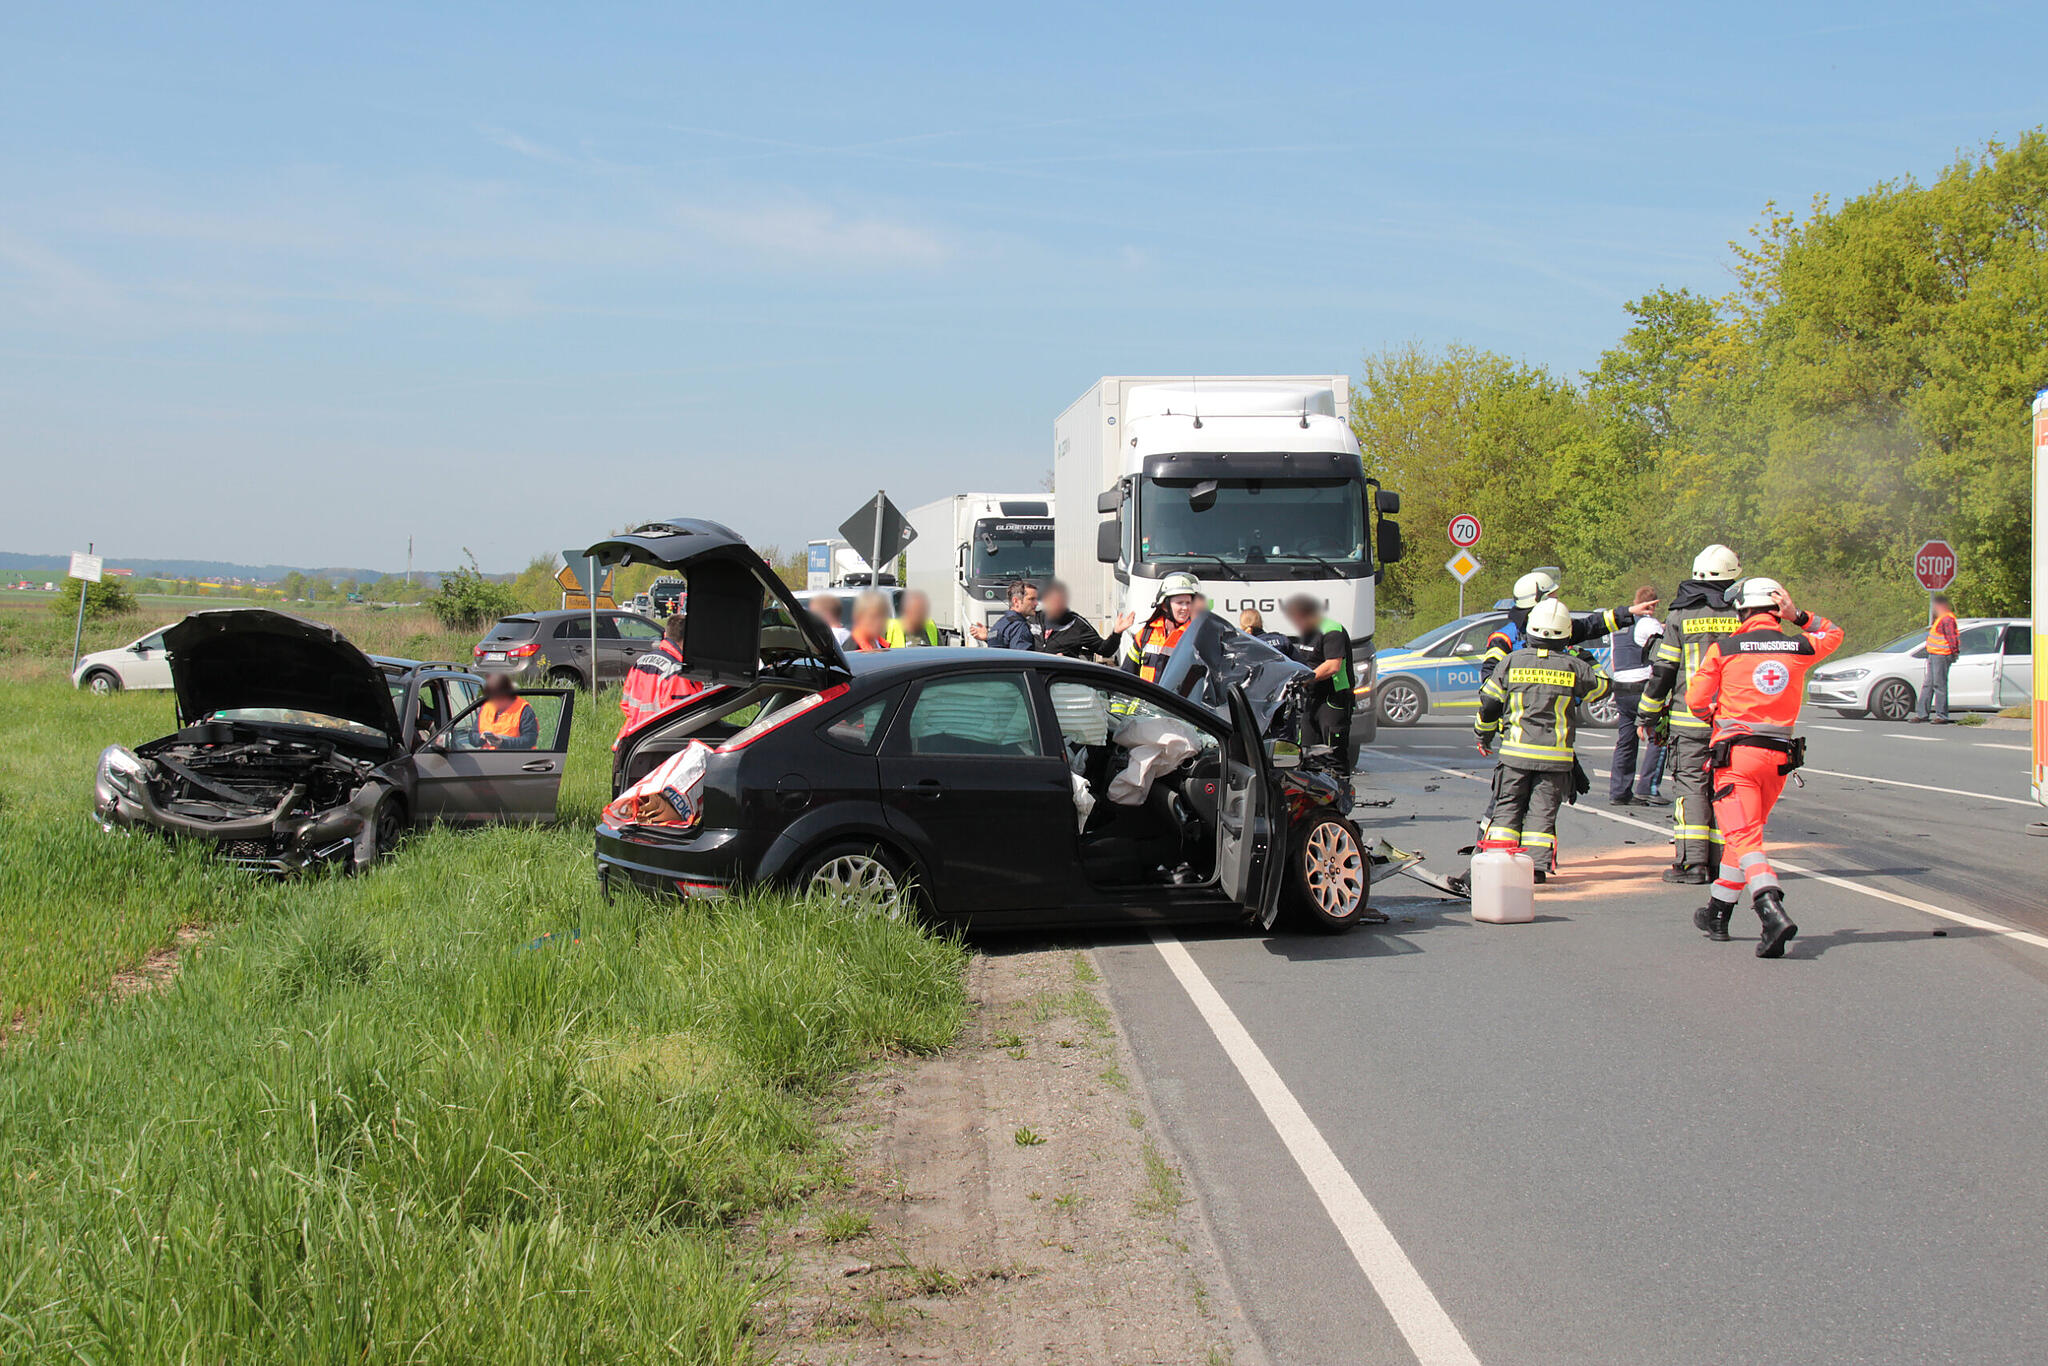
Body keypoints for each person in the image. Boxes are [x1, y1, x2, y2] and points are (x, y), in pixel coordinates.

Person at [1685, 577, 1843, 957]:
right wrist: (1800, 616)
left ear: (1742, 609)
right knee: (1745, 837)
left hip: (1737, 758)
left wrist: (1715, 718)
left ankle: (1770, 910)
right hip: (1777, 758)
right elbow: (1834, 634)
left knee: (1745, 839)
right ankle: (1718, 912)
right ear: (1776, 609)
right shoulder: (1800, 645)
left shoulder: (1726, 648)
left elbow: (1695, 700)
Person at [1472, 599, 1609, 881]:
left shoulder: (1511, 662)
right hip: (1555, 759)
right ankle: (1533, 871)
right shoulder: (1573, 665)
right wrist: (1586, 658)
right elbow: (1602, 688)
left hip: (1515, 755)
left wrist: (1483, 735)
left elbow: (1489, 703)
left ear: (1530, 632)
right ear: (1566, 634)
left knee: (1507, 808)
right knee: (1541, 815)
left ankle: (1499, 863)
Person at [1637, 544, 1742, 883]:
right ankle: (1722, 863)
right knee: (1725, 790)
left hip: (1689, 721)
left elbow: (1663, 671)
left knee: (1692, 788)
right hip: (1732, 721)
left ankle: (1693, 864)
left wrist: (1646, 716)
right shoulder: (1743, 615)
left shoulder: (1680, 616)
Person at [1479, 569, 1654, 680]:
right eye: (1554, 597)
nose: (1558, 602)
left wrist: (1629, 612)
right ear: (1540, 601)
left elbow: (1590, 626)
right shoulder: (1504, 639)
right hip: (1518, 727)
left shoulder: (1558, 630)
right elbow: (1489, 680)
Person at [1605, 585, 1669, 808]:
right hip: (1642, 686)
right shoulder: (1648, 623)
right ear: (1653, 604)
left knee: (1626, 740)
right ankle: (1647, 788)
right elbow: (1661, 648)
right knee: (1659, 736)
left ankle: (1619, 792)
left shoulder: (1620, 626)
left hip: (1621, 687)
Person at [1282, 594, 1357, 776]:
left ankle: (1341, 792)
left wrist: (1305, 678)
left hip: (1333, 698)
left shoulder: (1332, 630)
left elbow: (1333, 665)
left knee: (1333, 752)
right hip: (1313, 698)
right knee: (1308, 752)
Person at [618, 615, 702, 738]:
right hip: (658, 744)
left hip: (632, 740)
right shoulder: (677, 672)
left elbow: (626, 704)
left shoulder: (641, 661)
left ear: (665, 635)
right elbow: (683, 720)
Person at [1122, 573, 1203, 683]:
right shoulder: (1145, 634)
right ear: (1165, 606)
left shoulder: (1196, 637)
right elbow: (1127, 674)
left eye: (1188, 603)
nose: (1185, 608)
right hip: (1145, 700)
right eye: (1180, 603)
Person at [1036, 579, 1133, 660]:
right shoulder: (1034, 619)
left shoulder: (1077, 624)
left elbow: (1104, 650)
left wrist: (1116, 633)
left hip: (1059, 679)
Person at [1910, 595, 1960, 724]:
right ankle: (1922, 714)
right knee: (1928, 685)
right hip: (1933, 654)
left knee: (1939, 684)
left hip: (1942, 655)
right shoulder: (1940, 618)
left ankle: (1942, 716)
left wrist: (1954, 653)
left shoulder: (1947, 619)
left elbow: (1951, 637)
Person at [460, 672, 539, 751]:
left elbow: (530, 740)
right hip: (486, 759)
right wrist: (481, 737)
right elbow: (472, 737)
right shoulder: (486, 707)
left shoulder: (523, 709)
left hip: (514, 759)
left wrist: (503, 743)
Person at [983, 579, 1041, 651]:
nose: (1036, 603)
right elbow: (1023, 658)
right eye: (1031, 599)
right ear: (1016, 601)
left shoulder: (999, 624)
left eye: (1036, 599)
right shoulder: (1019, 626)